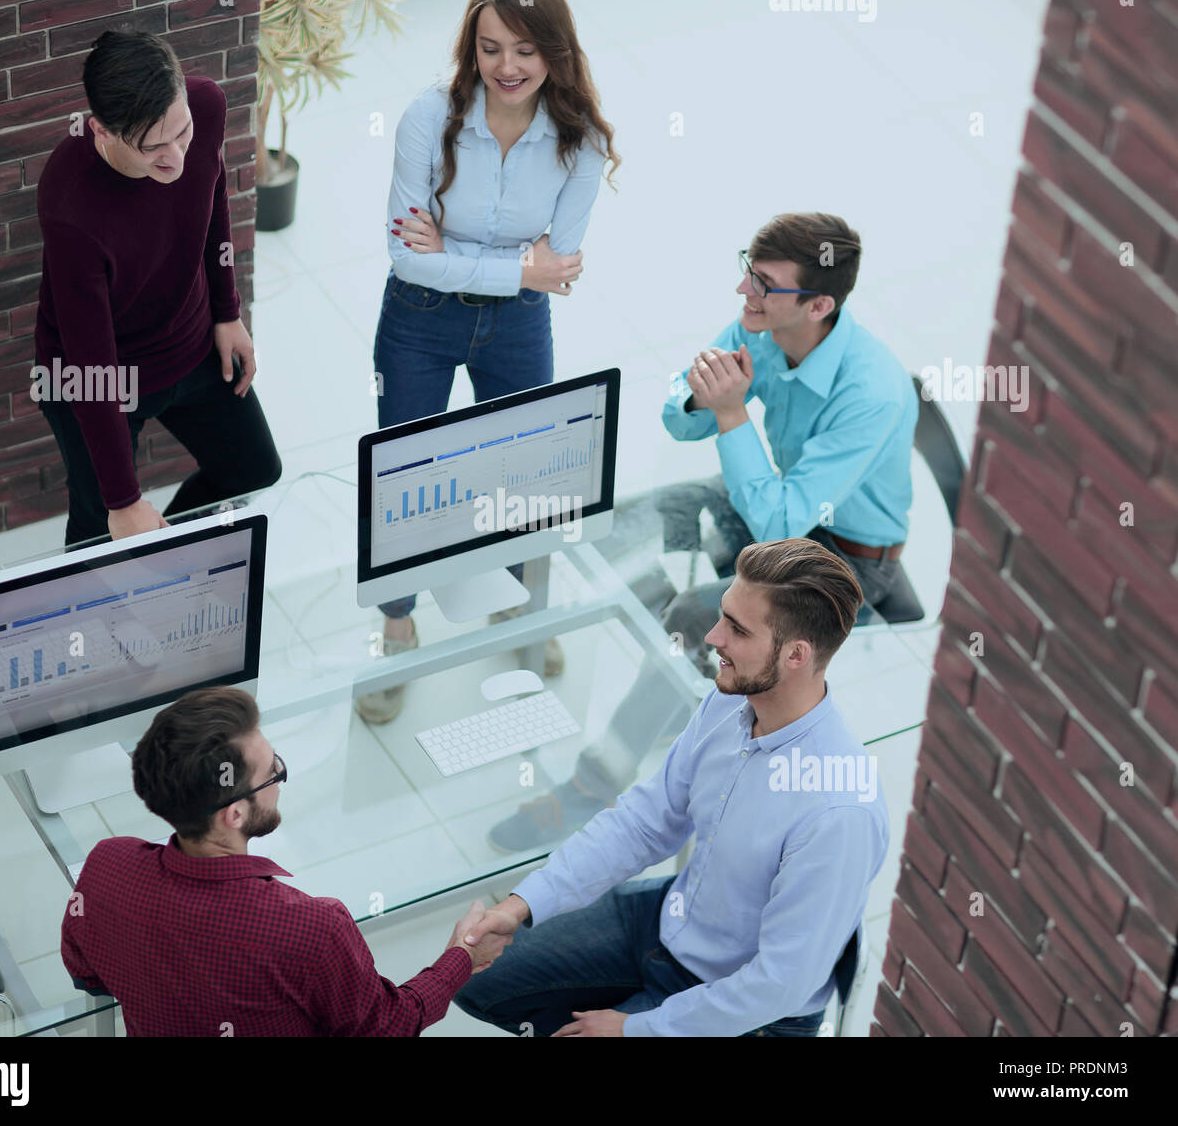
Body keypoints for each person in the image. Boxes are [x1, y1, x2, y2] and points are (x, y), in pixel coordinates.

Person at [489, 212, 917, 850]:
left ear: (820, 304)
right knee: (624, 522)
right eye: (748, 270)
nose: (745, 292)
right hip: (778, 502)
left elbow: (780, 521)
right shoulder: (765, 327)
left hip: (846, 555)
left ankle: (596, 782)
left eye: (765, 283)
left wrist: (730, 409)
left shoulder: (872, 393)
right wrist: (705, 399)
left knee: (696, 613)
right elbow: (676, 416)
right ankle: (683, 690)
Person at [455, 539, 889, 1036]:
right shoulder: (728, 704)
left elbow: (777, 985)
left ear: (796, 654)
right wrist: (520, 905)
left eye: (737, 629)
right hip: (673, 923)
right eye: (723, 616)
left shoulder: (839, 814)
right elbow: (644, 823)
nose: (712, 636)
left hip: (753, 1011)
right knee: (474, 977)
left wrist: (633, 1030)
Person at [357, 0, 620, 724]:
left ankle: (515, 601)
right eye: (491, 47)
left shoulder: (582, 141)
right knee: (406, 474)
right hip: (419, 321)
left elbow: (557, 267)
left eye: (526, 51)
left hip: (518, 325)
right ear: (471, 47)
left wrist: (458, 254)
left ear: (555, 53)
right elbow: (408, 259)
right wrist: (513, 269)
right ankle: (398, 622)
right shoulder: (427, 119)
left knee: (525, 467)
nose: (507, 66)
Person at [60, 687, 511, 1036]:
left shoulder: (107, 865)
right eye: (271, 770)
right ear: (233, 814)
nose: (279, 778)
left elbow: (86, 972)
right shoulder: (311, 928)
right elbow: (386, 1028)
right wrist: (462, 959)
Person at [35, 30, 281, 548]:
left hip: (188, 346)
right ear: (103, 131)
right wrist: (124, 505)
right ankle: (92, 617)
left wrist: (226, 312)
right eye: (152, 147)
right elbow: (90, 360)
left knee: (254, 467)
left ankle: (164, 558)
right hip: (95, 375)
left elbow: (211, 198)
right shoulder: (69, 198)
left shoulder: (207, 105)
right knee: (96, 523)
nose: (176, 158)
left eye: (182, 133)